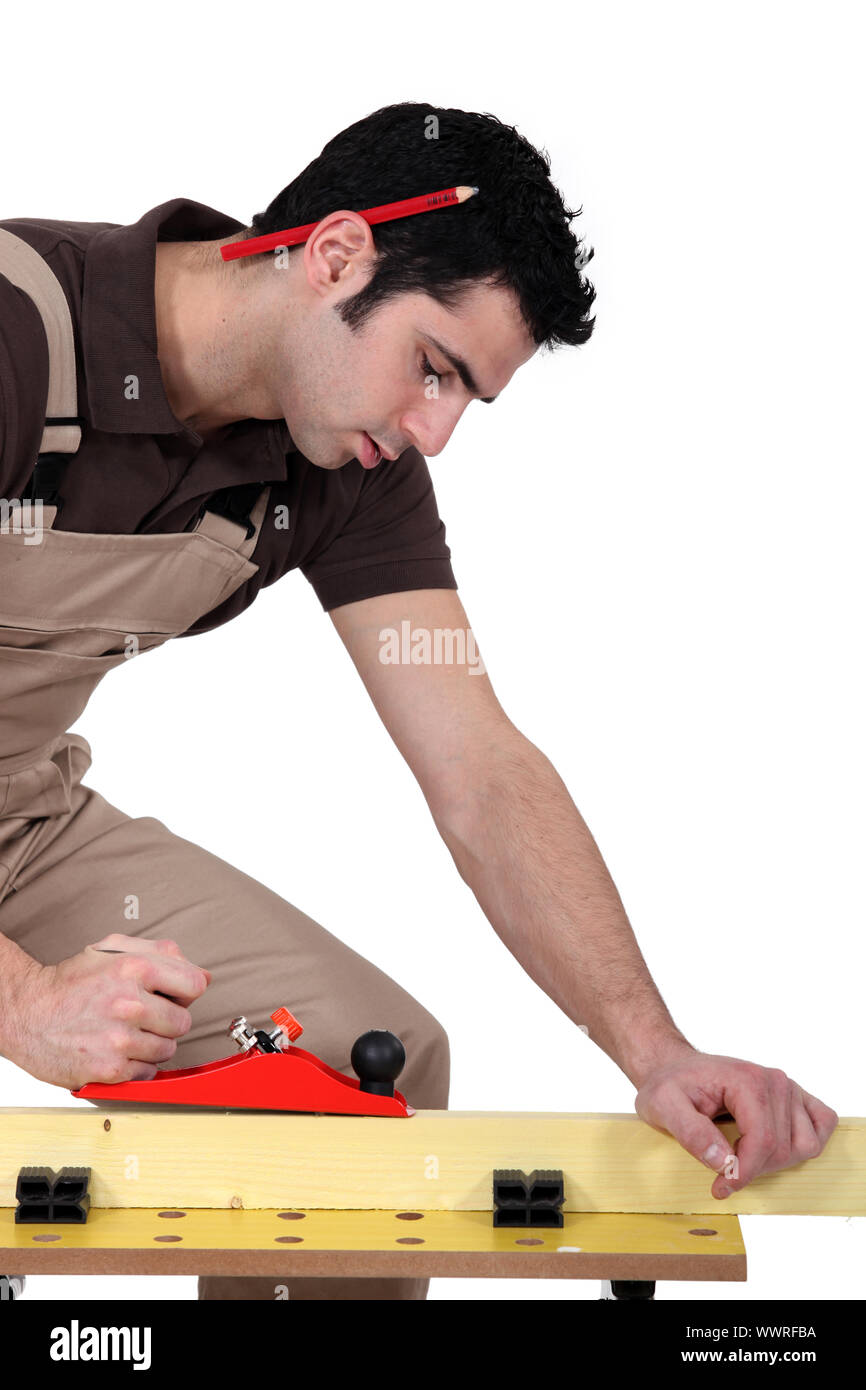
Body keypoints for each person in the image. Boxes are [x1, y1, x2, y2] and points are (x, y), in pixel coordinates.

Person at [0, 102, 838, 1302]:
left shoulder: (341, 463)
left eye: (464, 401)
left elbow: (478, 769)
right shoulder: (18, 331)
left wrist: (652, 1053)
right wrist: (25, 1001)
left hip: (16, 821)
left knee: (354, 1082)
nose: (431, 431)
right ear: (336, 253)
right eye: (432, 367)